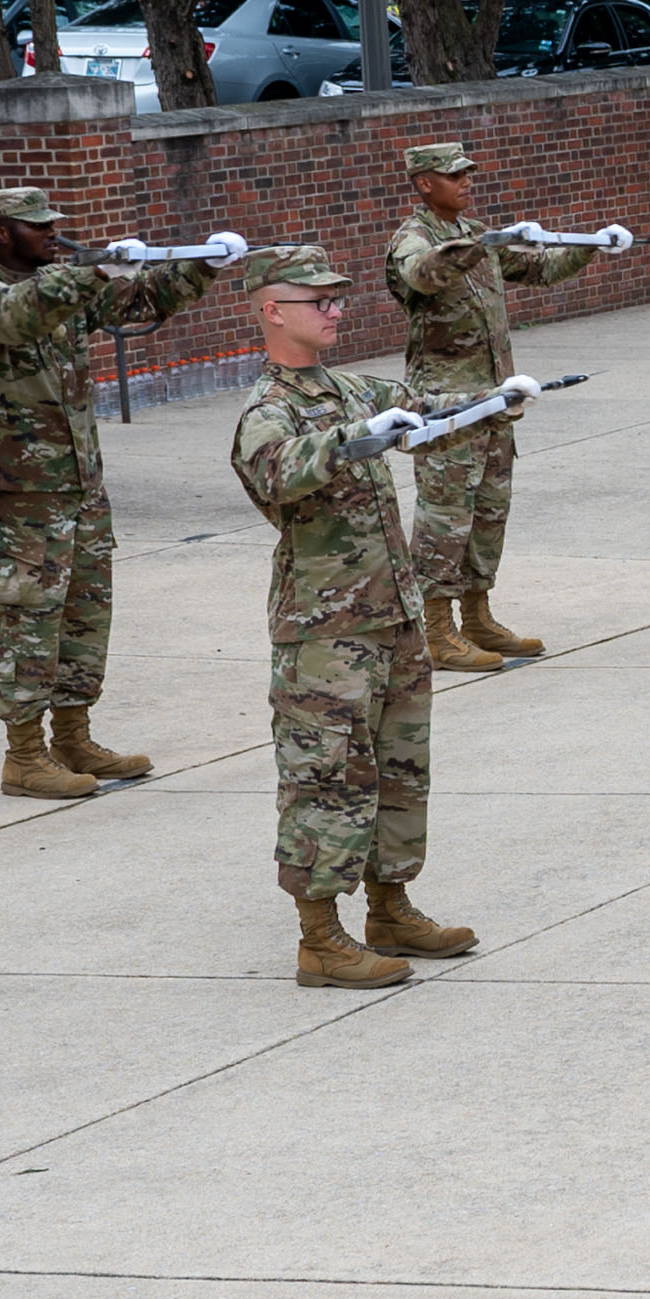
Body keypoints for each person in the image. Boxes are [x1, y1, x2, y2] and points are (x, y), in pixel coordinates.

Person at [228, 244, 471, 985]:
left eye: (339, 298)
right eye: (318, 300)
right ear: (273, 310)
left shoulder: (348, 386)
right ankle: (319, 938)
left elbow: (420, 406)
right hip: (325, 631)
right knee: (326, 778)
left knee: (399, 770)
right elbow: (277, 469)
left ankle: (390, 905)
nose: (335, 310)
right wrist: (353, 437)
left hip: (390, 614)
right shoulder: (268, 410)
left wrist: (489, 401)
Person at [0, 187, 218, 797]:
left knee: (84, 616)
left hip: (79, 486)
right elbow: (20, 315)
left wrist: (201, 265)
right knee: (27, 620)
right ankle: (23, 756)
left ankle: (73, 736)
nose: (51, 233)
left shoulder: (61, 288)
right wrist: (89, 271)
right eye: (35, 226)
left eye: (52, 224)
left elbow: (141, 299)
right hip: (17, 494)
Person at [384, 141, 602, 672]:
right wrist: (483, 245)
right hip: (446, 406)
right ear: (423, 184)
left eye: (467, 174)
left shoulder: (475, 233)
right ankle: (436, 630)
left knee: (487, 512)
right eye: (453, 175)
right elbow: (425, 275)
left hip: (497, 398)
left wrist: (592, 244)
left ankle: (477, 615)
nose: (466, 182)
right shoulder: (413, 241)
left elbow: (541, 268)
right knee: (444, 516)